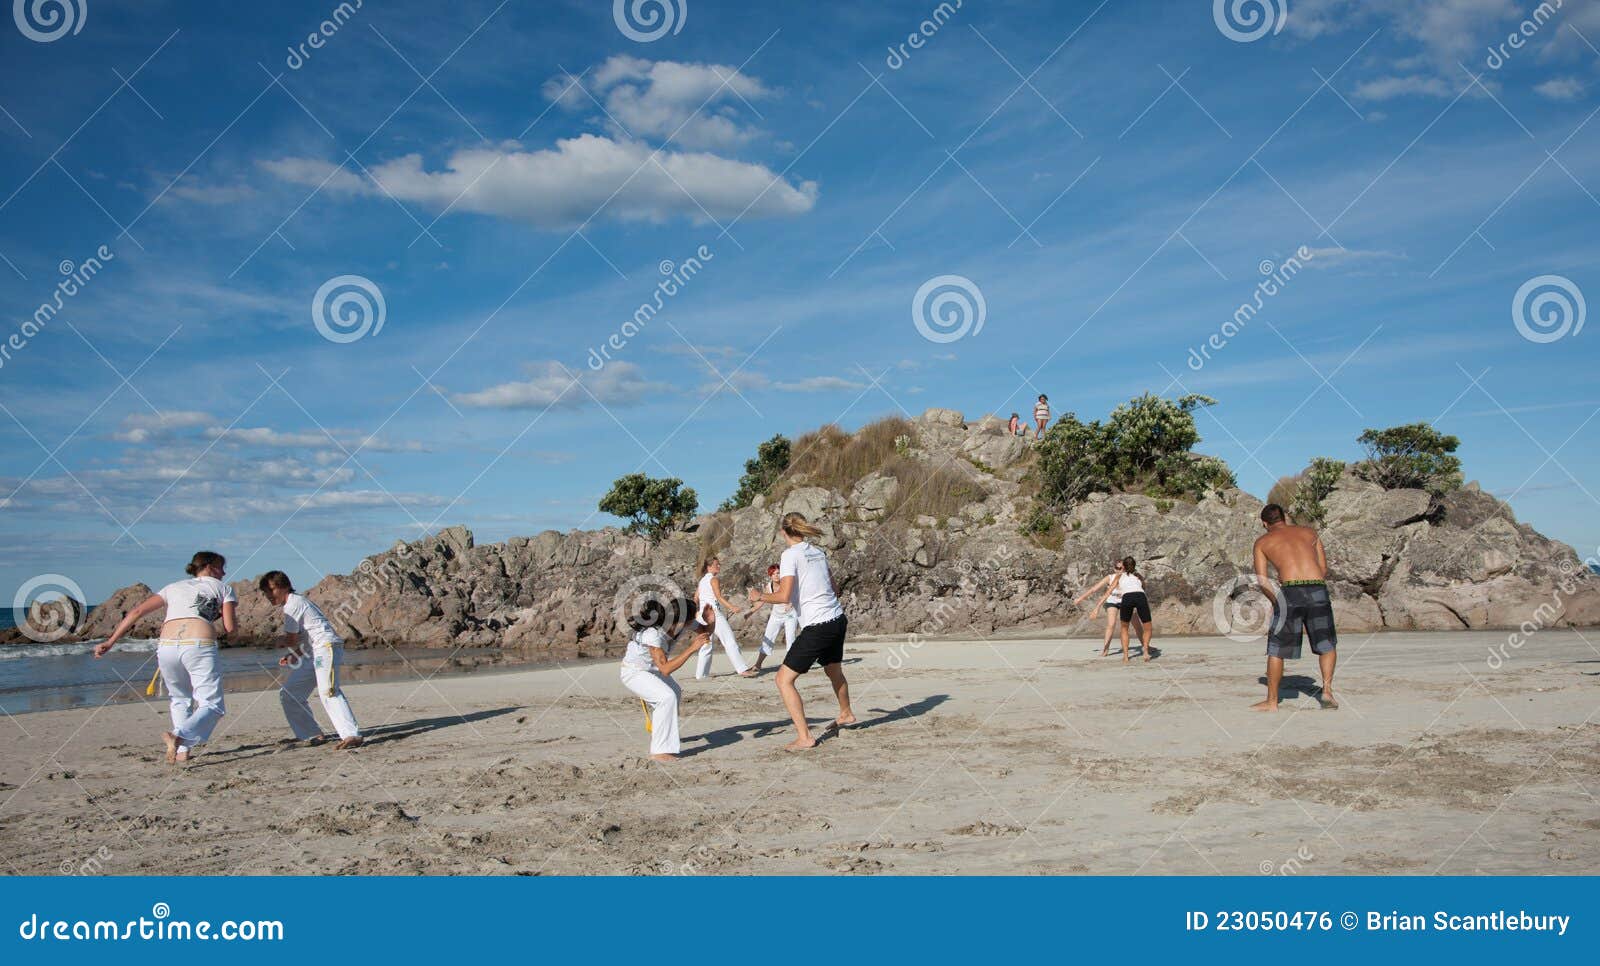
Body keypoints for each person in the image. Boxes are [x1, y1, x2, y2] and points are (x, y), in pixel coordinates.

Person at [93, 551, 237, 763]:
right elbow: (230, 629)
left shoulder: (172, 587)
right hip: (198, 645)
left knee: (179, 699)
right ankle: (180, 737)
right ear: (210, 566)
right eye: (221, 567)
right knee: (212, 705)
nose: (224, 572)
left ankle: (181, 753)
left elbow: (136, 612)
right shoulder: (224, 588)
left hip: (166, 647)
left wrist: (111, 641)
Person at [747, 512, 855, 750]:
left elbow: (784, 595)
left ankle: (805, 737)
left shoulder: (789, 555)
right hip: (837, 619)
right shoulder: (817, 552)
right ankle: (846, 713)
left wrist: (760, 596)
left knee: (783, 680)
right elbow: (834, 589)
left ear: (783, 532)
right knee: (833, 670)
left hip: (818, 625)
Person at [259, 571, 363, 750]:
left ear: (283, 586)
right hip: (314, 651)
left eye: (271, 590)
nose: (268, 595)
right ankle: (311, 734)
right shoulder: (293, 604)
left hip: (327, 648)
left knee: (328, 691)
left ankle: (351, 734)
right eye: (265, 592)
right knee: (289, 693)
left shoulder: (294, 604)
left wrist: (278, 641)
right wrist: (295, 655)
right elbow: (308, 638)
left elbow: (291, 639)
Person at [1251, 503, 1338, 711]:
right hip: (1318, 587)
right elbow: (1323, 568)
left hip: (1290, 590)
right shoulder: (1310, 532)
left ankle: (1272, 702)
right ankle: (1326, 691)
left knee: (1277, 649)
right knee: (1326, 643)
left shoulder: (1263, 542)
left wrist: (1277, 603)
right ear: (1285, 518)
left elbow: (1263, 581)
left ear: (1264, 523)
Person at [620, 595, 712, 761]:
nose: (693, 623)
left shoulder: (683, 624)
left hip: (653, 670)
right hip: (634, 672)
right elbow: (666, 669)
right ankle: (660, 751)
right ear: (681, 620)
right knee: (666, 697)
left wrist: (710, 621)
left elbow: (705, 634)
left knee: (674, 692)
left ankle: (664, 735)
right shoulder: (653, 634)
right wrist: (692, 649)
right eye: (693, 618)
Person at [695, 556, 755, 679]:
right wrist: (732, 607)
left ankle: (701, 675)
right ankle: (742, 669)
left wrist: (697, 611)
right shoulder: (713, 579)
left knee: (706, 645)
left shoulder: (702, 581)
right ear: (709, 567)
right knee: (729, 641)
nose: (719, 566)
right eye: (717, 564)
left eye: (719, 564)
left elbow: (696, 597)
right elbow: (719, 596)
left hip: (702, 615)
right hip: (714, 614)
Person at [1073, 558, 1143, 657]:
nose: (1119, 570)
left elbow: (1139, 588)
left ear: (1125, 568)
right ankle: (1105, 649)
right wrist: (1080, 598)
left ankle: (1145, 646)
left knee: (1137, 624)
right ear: (1114, 569)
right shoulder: (1110, 577)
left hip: (1126, 602)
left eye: (1122, 568)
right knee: (1111, 624)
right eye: (1117, 568)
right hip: (1112, 602)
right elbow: (1094, 589)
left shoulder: (1129, 577)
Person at [750, 563, 799, 673]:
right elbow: (762, 600)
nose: (776, 575)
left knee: (790, 639)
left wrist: (791, 604)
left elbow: (797, 594)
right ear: (770, 576)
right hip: (776, 615)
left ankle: (790, 665)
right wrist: (750, 611)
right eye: (773, 574)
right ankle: (758, 665)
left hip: (790, 615)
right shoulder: (769, 586)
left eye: (778, 573)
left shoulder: (787, 584)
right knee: (768, 638)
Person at [1114, 556, 1154, 663]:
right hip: (1140, 596)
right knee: (1148, 626)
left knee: (1124, 628)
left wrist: (1098, 606)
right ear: (1134, 565)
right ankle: (1145, 651)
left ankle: (1126, 656)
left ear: (1123, 567)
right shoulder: (1138, 576)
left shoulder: (1119, 576)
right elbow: (1143, 588)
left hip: (1127, 597)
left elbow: (1109, 591)